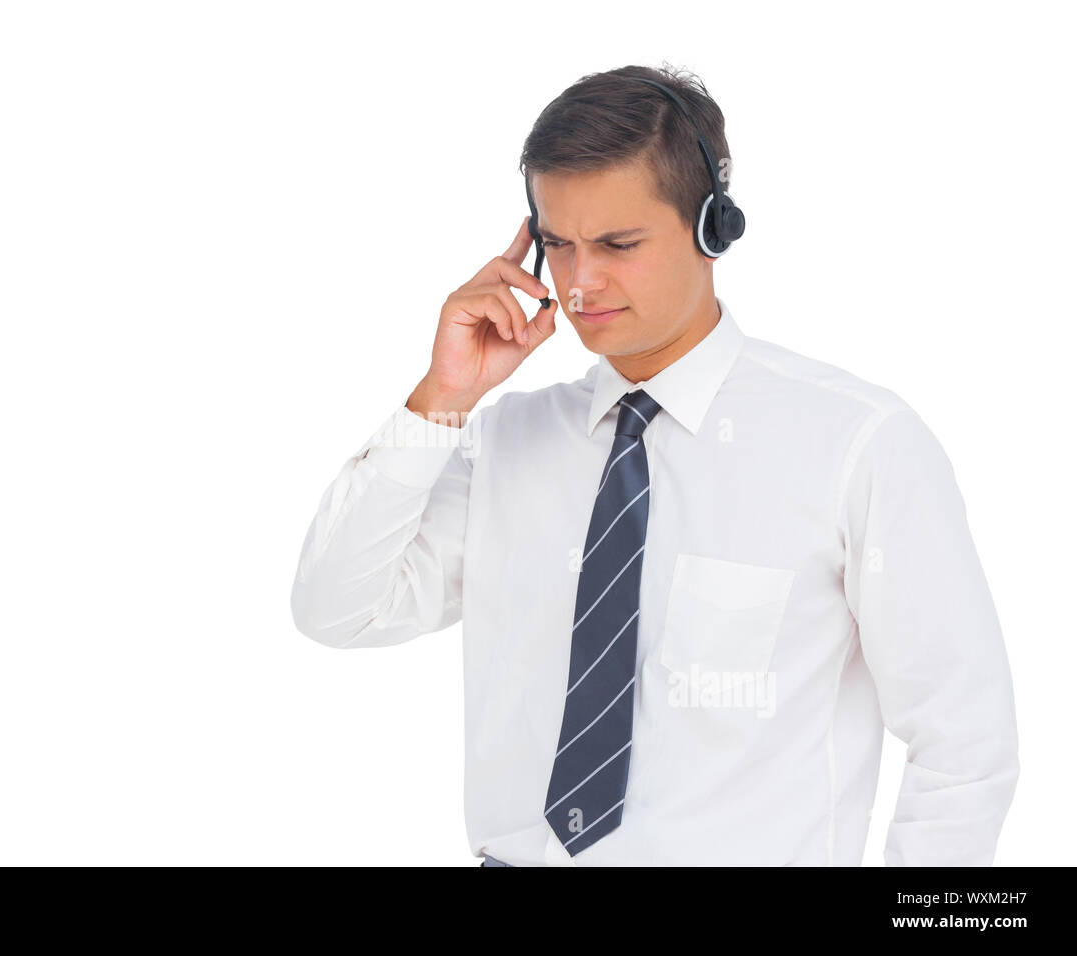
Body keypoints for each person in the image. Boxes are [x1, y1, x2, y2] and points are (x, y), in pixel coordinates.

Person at [289, 64, 1019, 866]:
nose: (579, 283)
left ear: (713, 228)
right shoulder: (505, 443)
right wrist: (441, 396)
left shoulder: (856, 443)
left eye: (617, 244)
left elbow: (963, 742)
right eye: (557, 245)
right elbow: (335, 610)